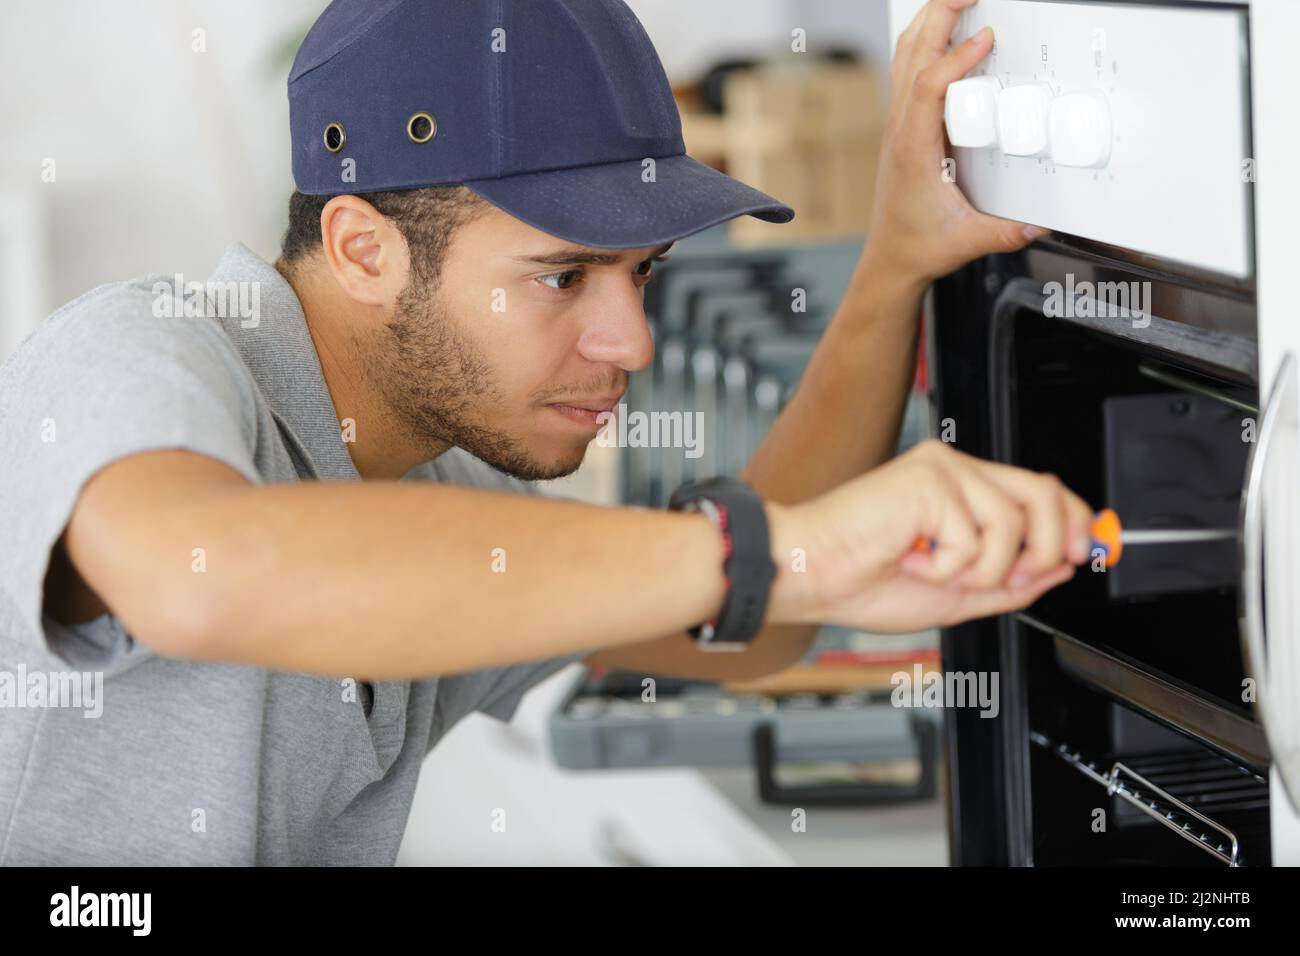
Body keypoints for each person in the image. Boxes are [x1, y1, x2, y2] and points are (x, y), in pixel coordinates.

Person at [0, 0, 1088, 865]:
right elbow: (204, 577)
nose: (632, 342)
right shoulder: (136, 349)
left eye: (641, 275)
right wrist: (781, 554)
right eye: (561, 275)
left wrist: (895, 258)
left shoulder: (437, 492)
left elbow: (746, 623)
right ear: (364, 249)